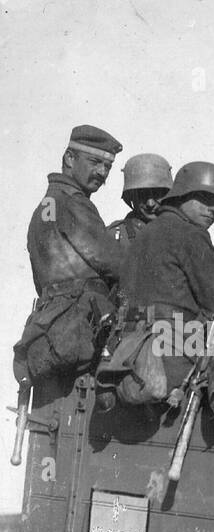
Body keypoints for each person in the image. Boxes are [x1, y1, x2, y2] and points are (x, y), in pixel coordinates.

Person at [112, 161, 214, 396]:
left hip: (130, 353)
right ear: (181, 196)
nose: (213, 209)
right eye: (204, 199)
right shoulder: (193, 235)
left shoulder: (143, 232)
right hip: (174, 356)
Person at [19, 125, 124, 386]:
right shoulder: (73, 203)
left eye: (108, 167)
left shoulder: (47, 205)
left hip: (51, 331)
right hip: (81, 330)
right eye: (95, 162)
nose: (102, 172)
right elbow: (116, 264)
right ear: (69, 158)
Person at [107, 153, 173, 246]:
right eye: (142, 194)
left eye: (156, 194)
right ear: (131, 197)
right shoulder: (114, 236)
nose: (150, 204)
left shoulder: (184, 232)